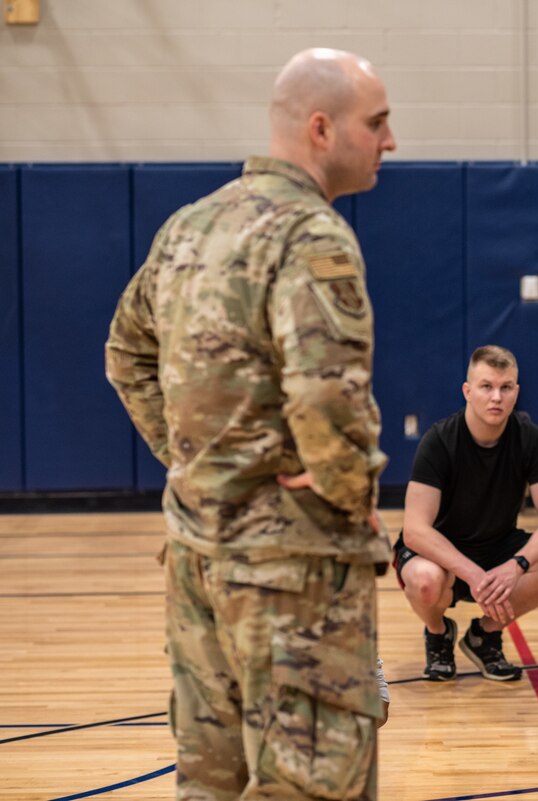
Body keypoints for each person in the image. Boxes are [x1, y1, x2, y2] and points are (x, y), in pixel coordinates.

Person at [104, 48, 395, 800]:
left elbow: (124, 352)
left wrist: (197, 460)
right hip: (293, 569)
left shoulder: (189, 227)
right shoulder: (313, 235)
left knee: (212, 780)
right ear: (323, 129)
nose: (390, 140)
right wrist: (347, 489)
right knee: (311, 783)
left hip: (196, 551)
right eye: (378, 122)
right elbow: (327, 398)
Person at [394, 344, 538, 682]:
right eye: (486, 386)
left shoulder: (531, 440)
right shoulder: (439, 440)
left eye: (505, 388)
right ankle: (437, 633)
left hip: (498, 546)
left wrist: (517, 566)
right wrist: (474, 575)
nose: (496, 397)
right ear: (467, 391)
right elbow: (415, 530)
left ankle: (484, 636)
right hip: (440, 549)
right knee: (427, 580)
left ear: (516, 393)